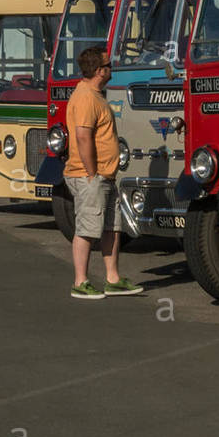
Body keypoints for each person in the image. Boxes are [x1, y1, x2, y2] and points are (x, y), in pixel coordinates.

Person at [65, 46, 143, 299]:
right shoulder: (87, 97)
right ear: (99, 71)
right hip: (91, 175)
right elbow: (83, 136)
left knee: (112, 227)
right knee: (87, 228)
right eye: (108, 65)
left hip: (105, 175)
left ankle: (113, 278)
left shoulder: (96, 94)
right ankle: (81, 282)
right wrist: (91, 173)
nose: (112, 68)